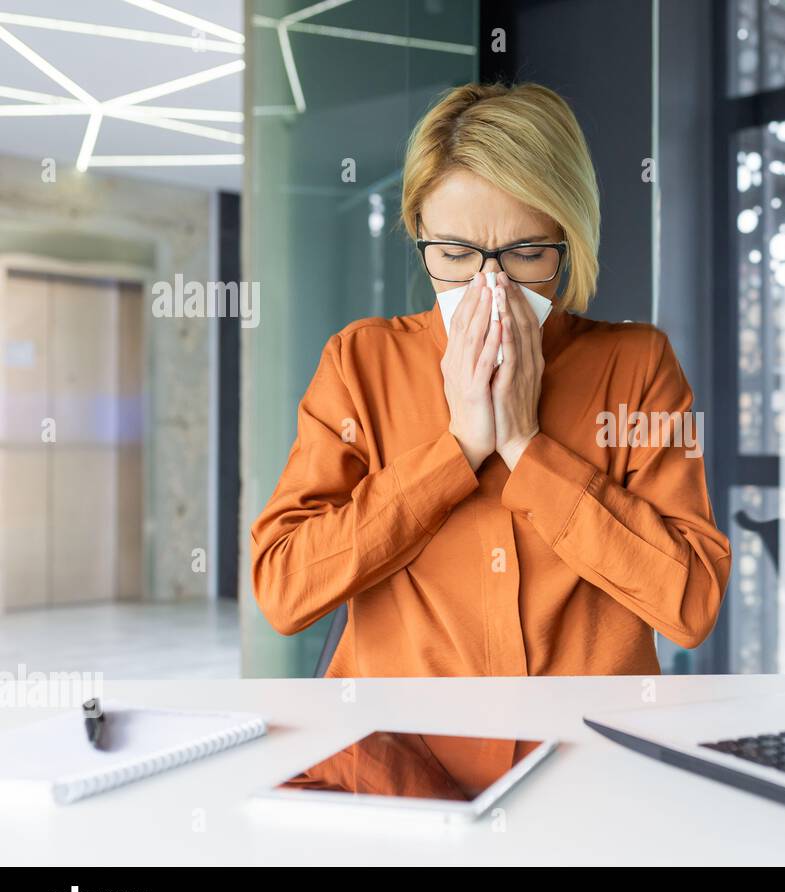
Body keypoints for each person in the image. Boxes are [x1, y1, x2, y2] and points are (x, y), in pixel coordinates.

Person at [251, 83, 730, 677]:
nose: (492, 289)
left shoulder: (636, 366)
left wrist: (527, 449)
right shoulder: (361, 363)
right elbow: (283, 589)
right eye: (454, 255)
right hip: (404, 753)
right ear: (419, 231)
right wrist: (457, 451)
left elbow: (691, 604)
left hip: (583, 750)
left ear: (568, 238)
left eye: (527, 254)